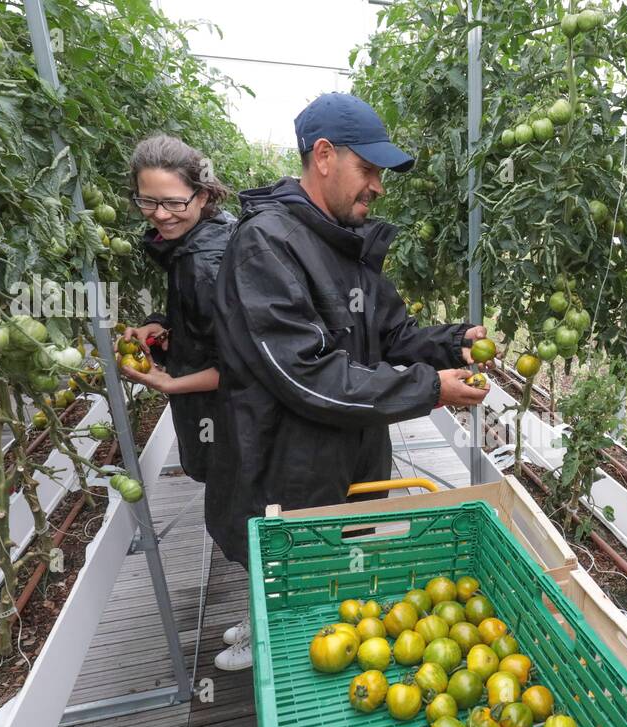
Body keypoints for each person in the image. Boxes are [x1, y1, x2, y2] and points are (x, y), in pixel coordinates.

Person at [207, 92, 490, 670]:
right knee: (301, 620)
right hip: (289, 470)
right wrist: (430, 389)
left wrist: (449, 342)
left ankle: (272, 634)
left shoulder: (341, 245)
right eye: (368, 169)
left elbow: (388, 335)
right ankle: (270, 652)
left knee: (334, 604)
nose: (378, 187)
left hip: (347, 464)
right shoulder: (266, 245)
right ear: (325, 156)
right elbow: (305, 375)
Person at [113, 135, 249, 660]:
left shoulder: (203, 262)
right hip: (229, 414)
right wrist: (160, 325)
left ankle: (273, 629)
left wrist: (168, 382)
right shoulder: (203, 241)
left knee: (241, 523)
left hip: (235, 415)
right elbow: (207, 327)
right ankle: (265, 614)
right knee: (241, 518)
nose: (161, 214)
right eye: (149, 201)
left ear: (203, 194)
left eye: (174, 201)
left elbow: (243, 362)